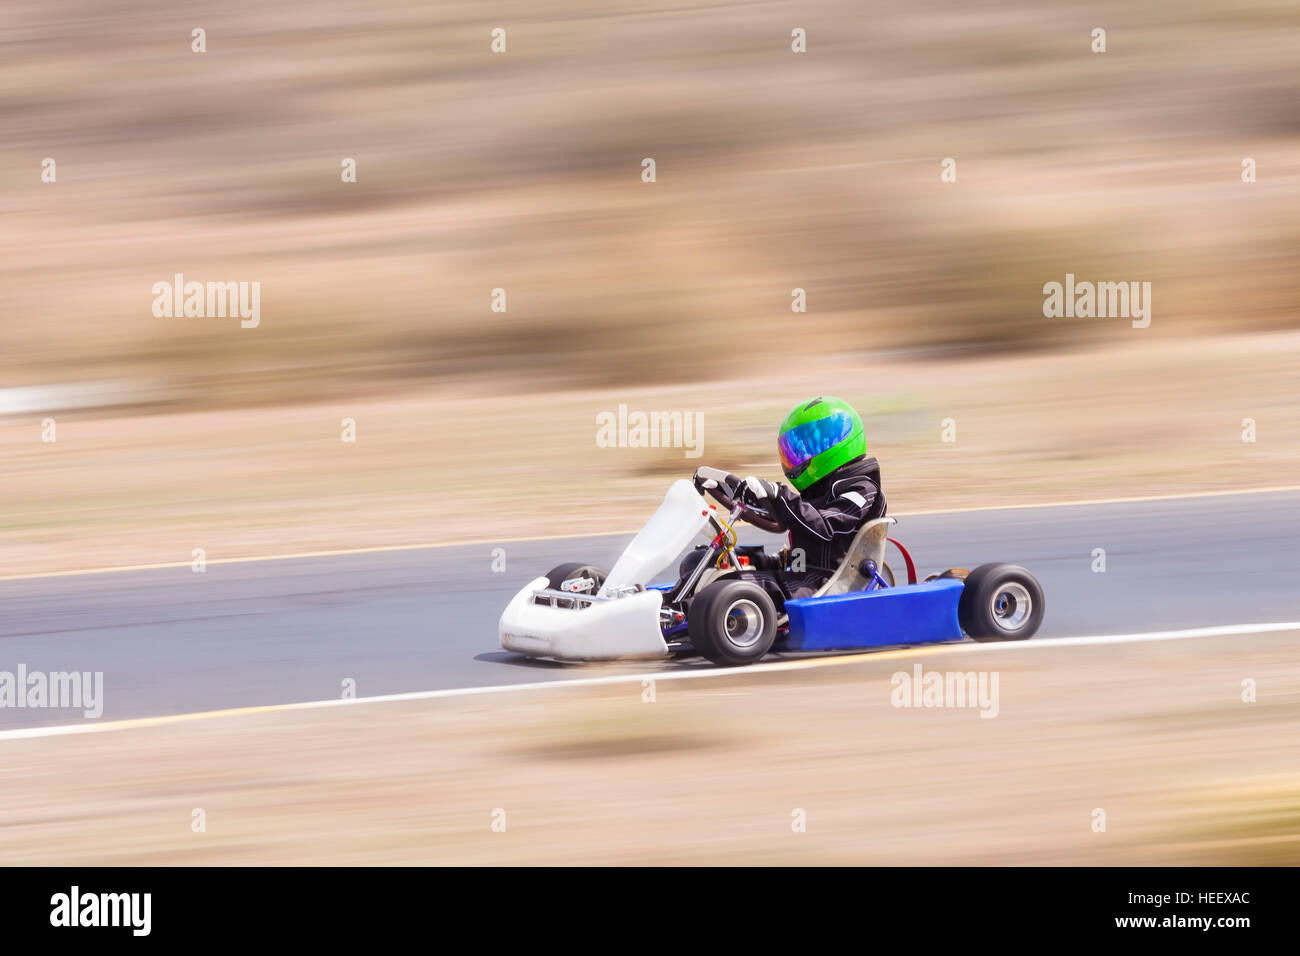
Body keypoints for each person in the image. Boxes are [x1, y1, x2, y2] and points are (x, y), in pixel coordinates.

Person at [691, 396, 886, 601]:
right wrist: (740, 494)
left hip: (828, 584)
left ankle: (682, 615)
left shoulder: (863, 490)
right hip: (799, 574)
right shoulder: (817, 493)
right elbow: (788, 522)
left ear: (839, 443)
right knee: (698, 562)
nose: (800, 453)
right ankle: (672, 606)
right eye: (795, 448)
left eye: (810, 446)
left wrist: (779, 495)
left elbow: (824, 528)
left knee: (726, 589)